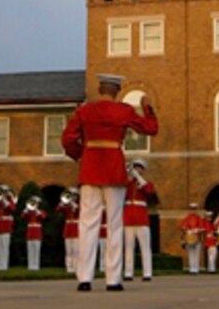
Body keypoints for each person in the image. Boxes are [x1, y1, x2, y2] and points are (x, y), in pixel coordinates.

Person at [61, 73, 159, 292]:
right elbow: (150, 129)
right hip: (113, 167)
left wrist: (81, 154)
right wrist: (147, 108)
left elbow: (67, 139)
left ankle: (84, 277)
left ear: (99, 90)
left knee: (88, 223)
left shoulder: (84, 111)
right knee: (114, 224)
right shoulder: (124, 111)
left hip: (91, 167)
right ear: (117, 91)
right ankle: (113, 279)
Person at [123, 159, 156, 282]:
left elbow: (149, 191)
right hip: (129, 218)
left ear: (142, 170)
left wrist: (137, 176)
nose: (136, 169)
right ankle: (128, 273)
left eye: (139, 168)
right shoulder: (128, 184)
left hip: (141, 219)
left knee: (145, 247)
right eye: (135, 167)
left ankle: (147, 273)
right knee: (129, 247)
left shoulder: (146, 183)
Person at [56, 188, 80, 273]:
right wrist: (62, 203)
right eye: (71, 195)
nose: (72, 197)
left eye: (74, 196)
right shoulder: (66, 206)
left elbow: (80, 211)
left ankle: (76, 267)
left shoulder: (78, 205)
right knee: (69, 250)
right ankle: (69, 267)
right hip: (68, 229)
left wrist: (74, 205)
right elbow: (58, 210)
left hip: (76, 228)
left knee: (76, 250)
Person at [21, 195, 46, 271]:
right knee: (30, 250)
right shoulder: (28, 211)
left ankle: (36, 266)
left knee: (36, 250)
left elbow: (43, 217)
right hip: (30, 232)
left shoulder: (40, 211)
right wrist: (26, 209)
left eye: (36, 203)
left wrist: (37, 210)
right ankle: (30, 266)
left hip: (37, 232)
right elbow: (22, 216)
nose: (34, 204)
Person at [179, 203, 204, 274]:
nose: (193, 211)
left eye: (194, 209)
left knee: (196, 253)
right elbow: (182, 227)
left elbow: (202, 228)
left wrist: (196, 230)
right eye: (192, 209)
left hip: (197, 238)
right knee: (190, 253)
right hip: (189, 238)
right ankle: (192, 268)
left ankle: (196, 268)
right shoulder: (186, 218)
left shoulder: (199, 218)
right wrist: (186, 230)